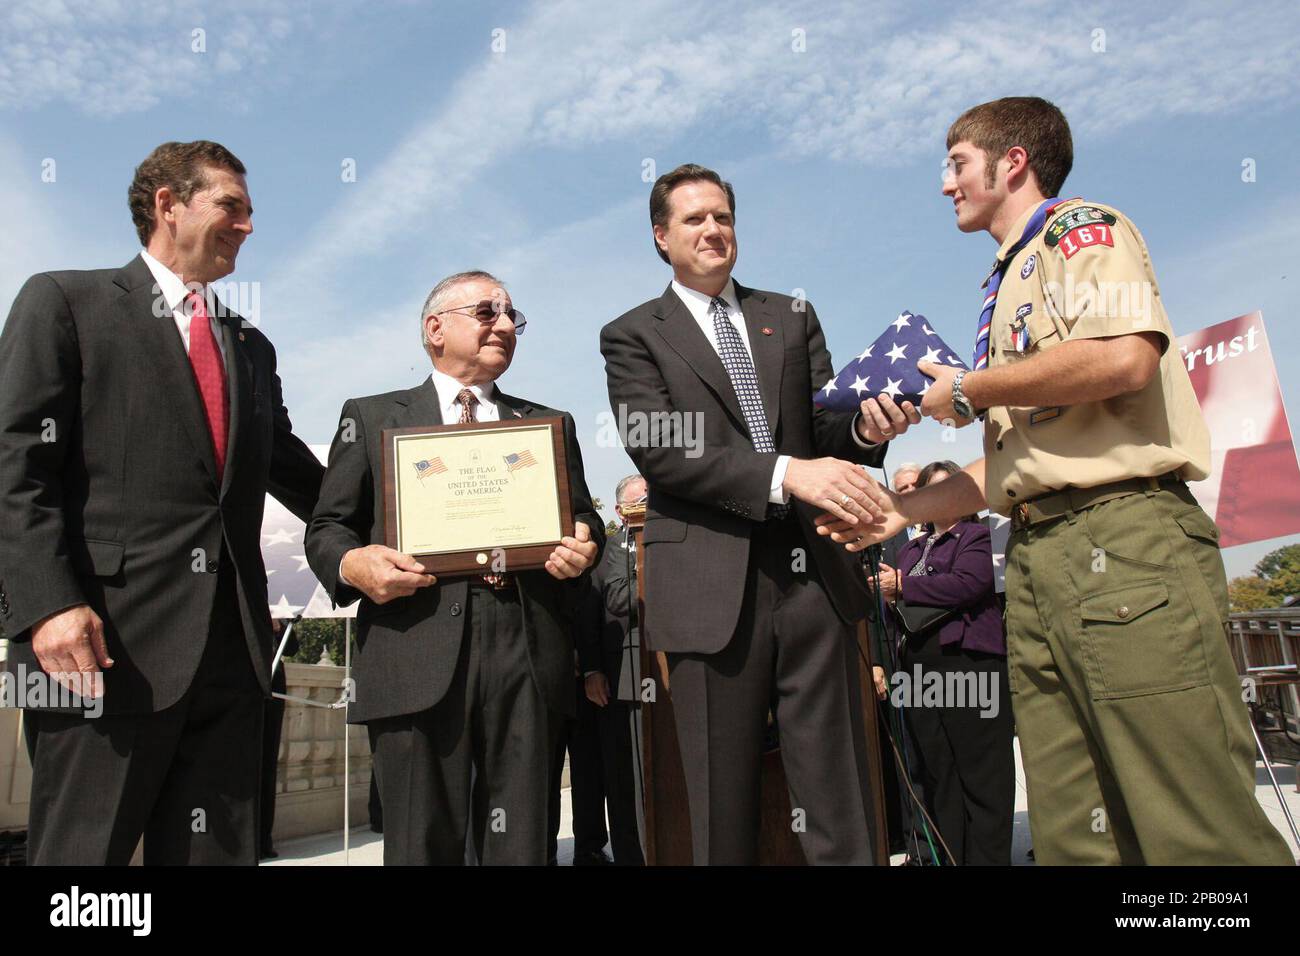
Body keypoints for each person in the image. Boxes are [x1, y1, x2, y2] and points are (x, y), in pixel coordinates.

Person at [820, 96, 1294, 865]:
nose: (946, 184)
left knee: (1190, 825)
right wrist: (893, 512)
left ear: (1012, 163)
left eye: (958, 164)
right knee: (1077, 830)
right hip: (1042, 563)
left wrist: (971, 389)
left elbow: (1123, 357)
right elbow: (1013, 468)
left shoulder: (1083, 232)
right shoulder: (1005, 281)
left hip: (1125, 542)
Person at [0, 140, 324, 865]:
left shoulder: (250, 346)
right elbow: (14, 463)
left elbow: (298, 474)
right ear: (167, 205)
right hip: (97, 648)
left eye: (250, 213)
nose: (247, 226)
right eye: (231, 208)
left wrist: (408, 509)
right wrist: (46, 603)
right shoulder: (65, 302)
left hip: (230, 656)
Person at [600, 163, 919, 864]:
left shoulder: (791, 315)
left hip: (816, 581)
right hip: (709, 591)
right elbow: (665, 452)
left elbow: (824, 431)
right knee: (721, 806)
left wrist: (868, 430)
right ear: (661, 237)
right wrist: (786, 473)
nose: (713, 229)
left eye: (723, 216)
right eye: (694, 219)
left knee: (842, 798)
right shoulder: (631, 336)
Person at [305, 270, 603, 865]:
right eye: (487, 311)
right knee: (421, 844)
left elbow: (583, 516)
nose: (505, 325)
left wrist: (585, 543)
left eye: (513, 316)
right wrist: (354, 563)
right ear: (434, 328)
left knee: (522, 845)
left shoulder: (549, 425)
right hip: (414, 648)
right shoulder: (369, 418)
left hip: (527, 651)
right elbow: (328, 527)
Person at [870, 460, 1013, 865]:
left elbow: (969, 583)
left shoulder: (978, 536)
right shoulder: (910, 548)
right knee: (938, 777)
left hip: (969, 666)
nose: (937, 498)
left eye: (946, 489)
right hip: (918, 674)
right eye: (929, 491)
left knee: (982, 778)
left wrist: (904, 586)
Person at [580, 474, 649, 865]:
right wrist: (592, 669)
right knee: (625, 780)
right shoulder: (610, 551)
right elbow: (604, 605)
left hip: (677, 680)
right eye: (641, 499)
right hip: (625, 681)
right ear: (622, 511)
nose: (649, 502)